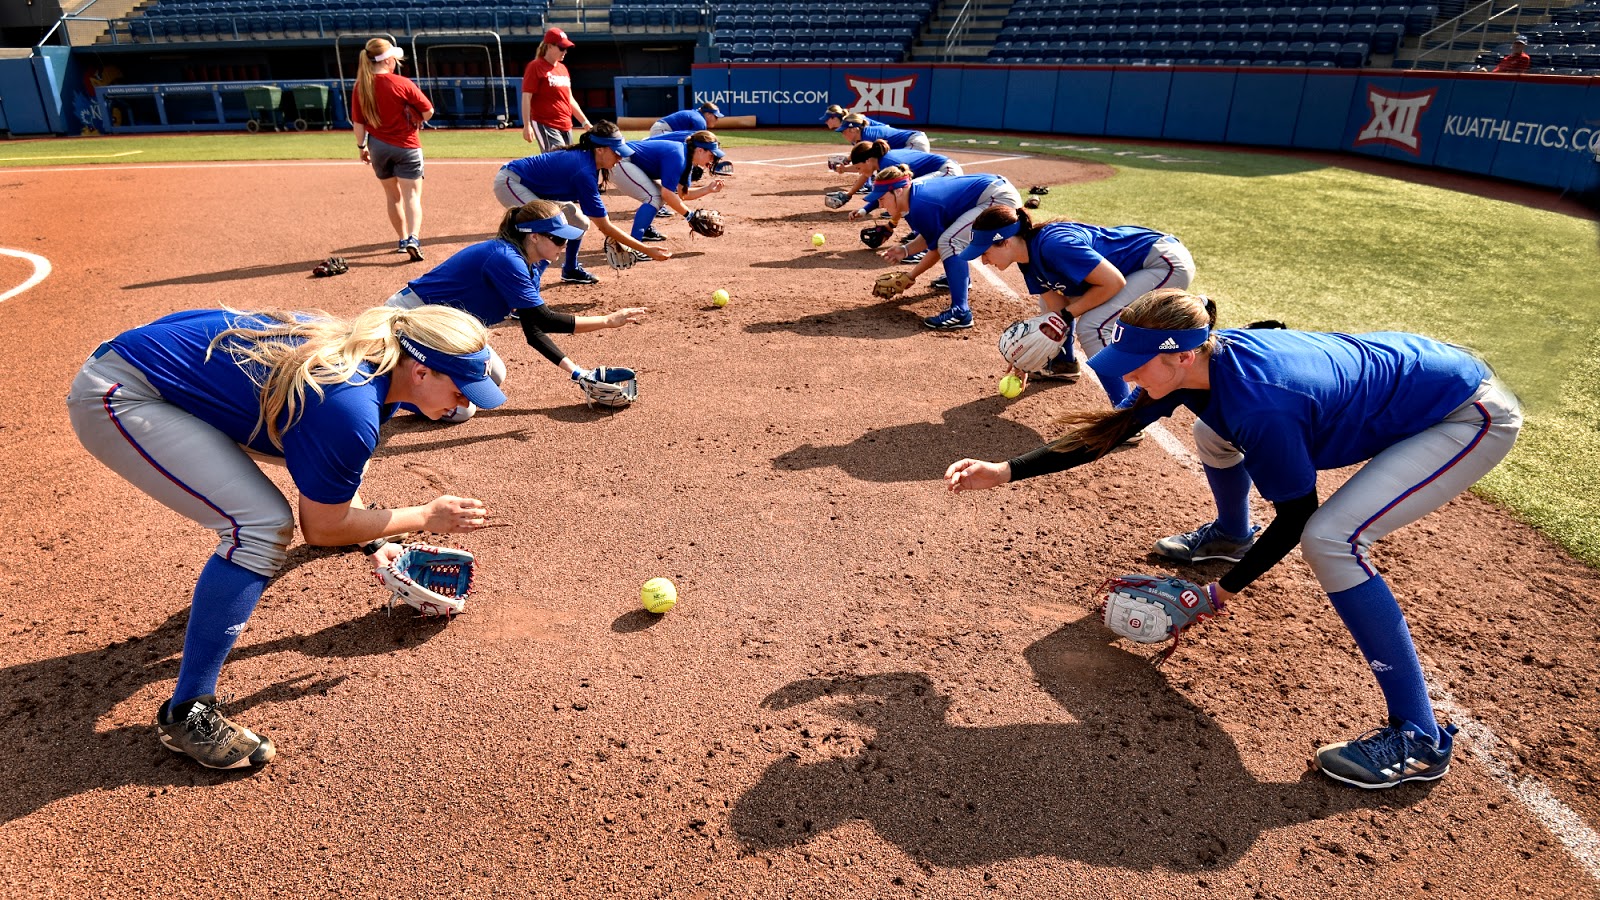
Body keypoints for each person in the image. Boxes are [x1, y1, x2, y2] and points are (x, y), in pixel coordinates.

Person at [943, 288, 1522, 790]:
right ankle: (1229, 533)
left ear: (1185, 354)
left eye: (1140, 362)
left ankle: (1419, 737)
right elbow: (1112, 430)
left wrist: (1216, 596)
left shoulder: (1261, 404)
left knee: (1331, 538)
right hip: (1416, 375)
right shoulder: (1196, 364)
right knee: (1212, 432)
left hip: (1464, 415)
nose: (1127, 372)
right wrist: (1004, 470)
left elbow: (1296, 515)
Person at [66, 304, 505, 769]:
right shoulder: (350, 406)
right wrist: (423, 515)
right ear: (420, 371)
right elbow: (321, 528)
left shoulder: (376, 359)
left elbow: (332, 477)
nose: (465, 405)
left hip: (155, 371)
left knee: (337, 459)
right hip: (121, 394)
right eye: (460, 391)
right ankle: (186, 713)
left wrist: (375, 539)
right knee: (259, 527)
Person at [385, 200, 648, 419]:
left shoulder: (532, 264)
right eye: (558, 239)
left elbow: (533, 331)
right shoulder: (505, 259)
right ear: (534, 236)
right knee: (462, 411)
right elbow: (544, 320)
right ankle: (391, 395)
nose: (564, 246)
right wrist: (608, 320)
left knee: (494, 376)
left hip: (447, 329)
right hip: (411, 320)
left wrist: (577, 372)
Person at [957, 205, 1195, 401]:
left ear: (1006, 242)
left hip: (1162, 263)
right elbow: (1054, 307)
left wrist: (1067, 315)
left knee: (1094, 326)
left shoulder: (1054, 244)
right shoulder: (1026, 259)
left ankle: (1126, 414)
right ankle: (1063, 364)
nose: (984, 261)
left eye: (985, 252)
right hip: (1134, 269)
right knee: (1048, 306)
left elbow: (1113, 283)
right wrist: (1026, 358)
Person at [494, 121, 670, 285]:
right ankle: (526, 290)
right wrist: (646, 250)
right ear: (600, 150)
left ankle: (570, 269)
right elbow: (605, 226)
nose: (619, 157)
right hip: (511, 183)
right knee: (544, 228)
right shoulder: (584, 171)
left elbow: (599, 222)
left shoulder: (589, 163)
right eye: (616, 151)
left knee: (579, 223)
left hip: (532, 188)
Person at [868, 165, 1022, 329]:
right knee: (949, 239)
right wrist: (905, 250)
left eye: (882, 198)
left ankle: (960, 313)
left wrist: (911, 276)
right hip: (992, 191)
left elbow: (938, 248)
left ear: (897, 191)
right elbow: (932, 236)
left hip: (998, 198)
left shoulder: (920, 204)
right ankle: (959, 278)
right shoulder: (911, 196)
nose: (880, 204)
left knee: (950, 242)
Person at [351, 37, 433, 261]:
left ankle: (401, 239)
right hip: (407, 145)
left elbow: (358, 123)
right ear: (387, 60)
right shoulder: (402, 83)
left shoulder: (361, 86)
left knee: (392, 196)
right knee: (412, 196)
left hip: (378, 146)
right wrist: (413, 115)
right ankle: (414, 238)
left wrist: (361, 147)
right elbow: (428, 111)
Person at [613, 130, 728, 245]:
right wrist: (689, 216)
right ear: (700, 150)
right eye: (711, 155)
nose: (712, 160)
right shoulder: (678, 157)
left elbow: (683, 195)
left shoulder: (687, 160)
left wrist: (707, 189)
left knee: (658, 197)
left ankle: (644, 231)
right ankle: (634, 245)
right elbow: (667, 194)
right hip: (618, 160)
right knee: (654, 197)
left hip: (627, 162)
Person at [836, 139, 963, 220]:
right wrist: (864, 210)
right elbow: (884, 192)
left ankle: (922, 240)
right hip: (944, 171)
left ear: (868, 161)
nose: (860, 172)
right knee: (910, 193)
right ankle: (919, 235)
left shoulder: (888, 164)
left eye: (859, 167)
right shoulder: (883, 162)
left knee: (911, 193)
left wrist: (889, 226)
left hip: (947, 172)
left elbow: (890, 192)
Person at [521, 27, 592, 152]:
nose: (565, 51)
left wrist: (585, 122)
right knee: (557, 159)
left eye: (566, 48)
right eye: (561, 48)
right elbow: (527, 97)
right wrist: (527, 125)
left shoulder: (563, 69)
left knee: (567, 162)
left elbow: (570, 99)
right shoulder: (535, 66)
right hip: (546, 123)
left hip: (566, 124)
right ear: (549, 46)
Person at [836, 113, 930, 153]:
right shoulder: (864, 134)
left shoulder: (868, 136)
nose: (843, 134)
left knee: (887, 164)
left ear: (853, 129)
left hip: (915, 142)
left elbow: (868, 163)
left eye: (844, 131)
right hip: (912, 142)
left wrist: (845, 168)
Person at [650, 100, 721, 136]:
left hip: (662, 129)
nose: (717, 120)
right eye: (716, 117)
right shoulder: (700, 121)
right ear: (708, 114)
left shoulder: (697, 115)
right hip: (661, 131)